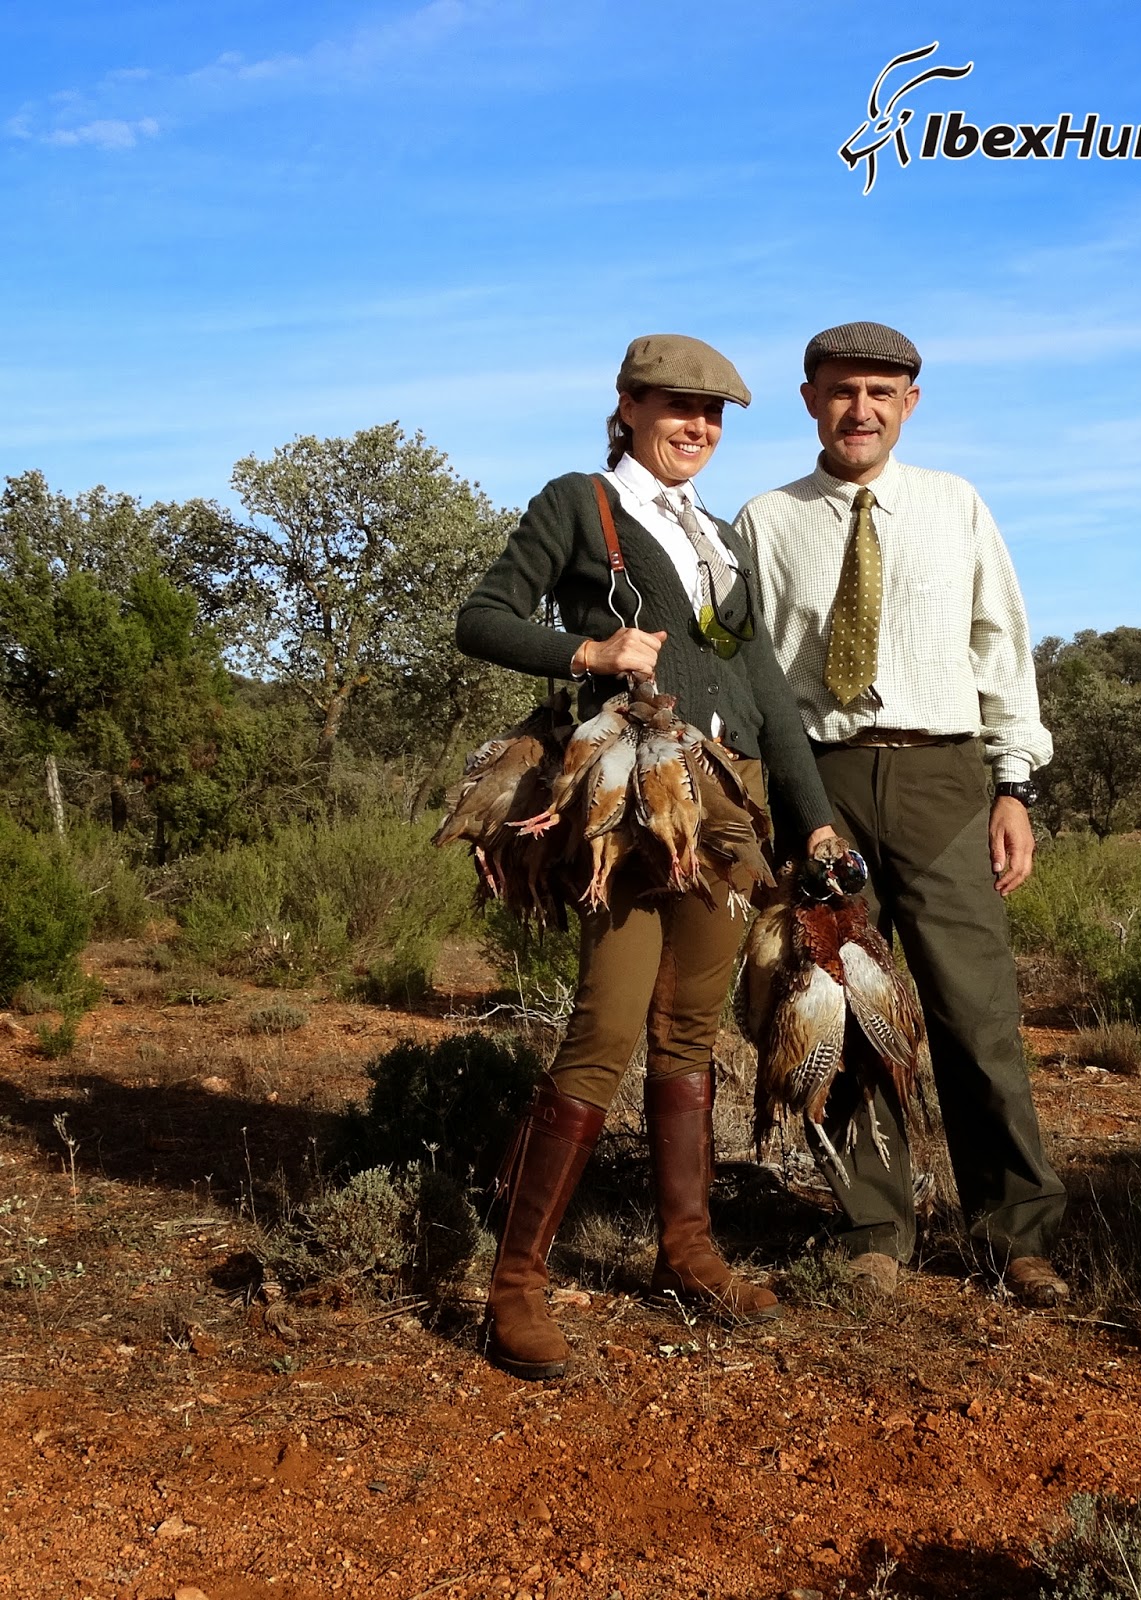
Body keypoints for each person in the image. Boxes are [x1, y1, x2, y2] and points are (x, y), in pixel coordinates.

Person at [457, 333, 842, 1380]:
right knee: (604, 1029)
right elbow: (480, 618)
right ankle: (515, 1288)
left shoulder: (717, 535)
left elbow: (764, 689)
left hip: (729, 813)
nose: (698, 428)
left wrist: (807, 822)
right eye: (677, 407)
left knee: (688, 1031)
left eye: (714, 415)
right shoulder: (578, 504)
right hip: (627, 807)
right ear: (625, 406)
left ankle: (686, 1250)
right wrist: (586, 651)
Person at [734, 320, 1068, 1307]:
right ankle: (872, 1225)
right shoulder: (764, 520)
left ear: (909, 403)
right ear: (809, 399)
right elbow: (742, 669)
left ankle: (1015, 1231)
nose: (860, 409)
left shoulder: (953, 506)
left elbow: (1000, 647)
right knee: (840, 1008)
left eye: (880, 391)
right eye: (841, 390)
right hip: (817, 781)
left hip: (941, 777)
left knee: (976, 1014)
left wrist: (1013, 786)